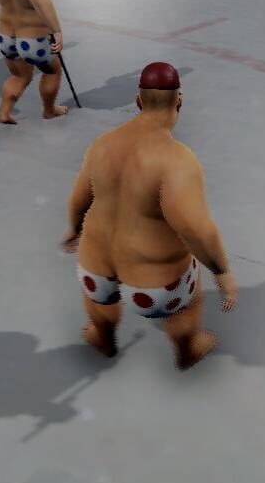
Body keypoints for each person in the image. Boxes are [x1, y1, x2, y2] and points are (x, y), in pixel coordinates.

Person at [62, 62, 238, 369]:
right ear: (179, 100)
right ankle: (187, 349)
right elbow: (195, 229)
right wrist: (221, 271)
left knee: (99, 299)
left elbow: (78, 199)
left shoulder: (102, 144)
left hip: (95, 268)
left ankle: (103, 337)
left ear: (138, 100)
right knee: (188, 304)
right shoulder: (176, 159)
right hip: (154, 284)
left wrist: (74, 230)